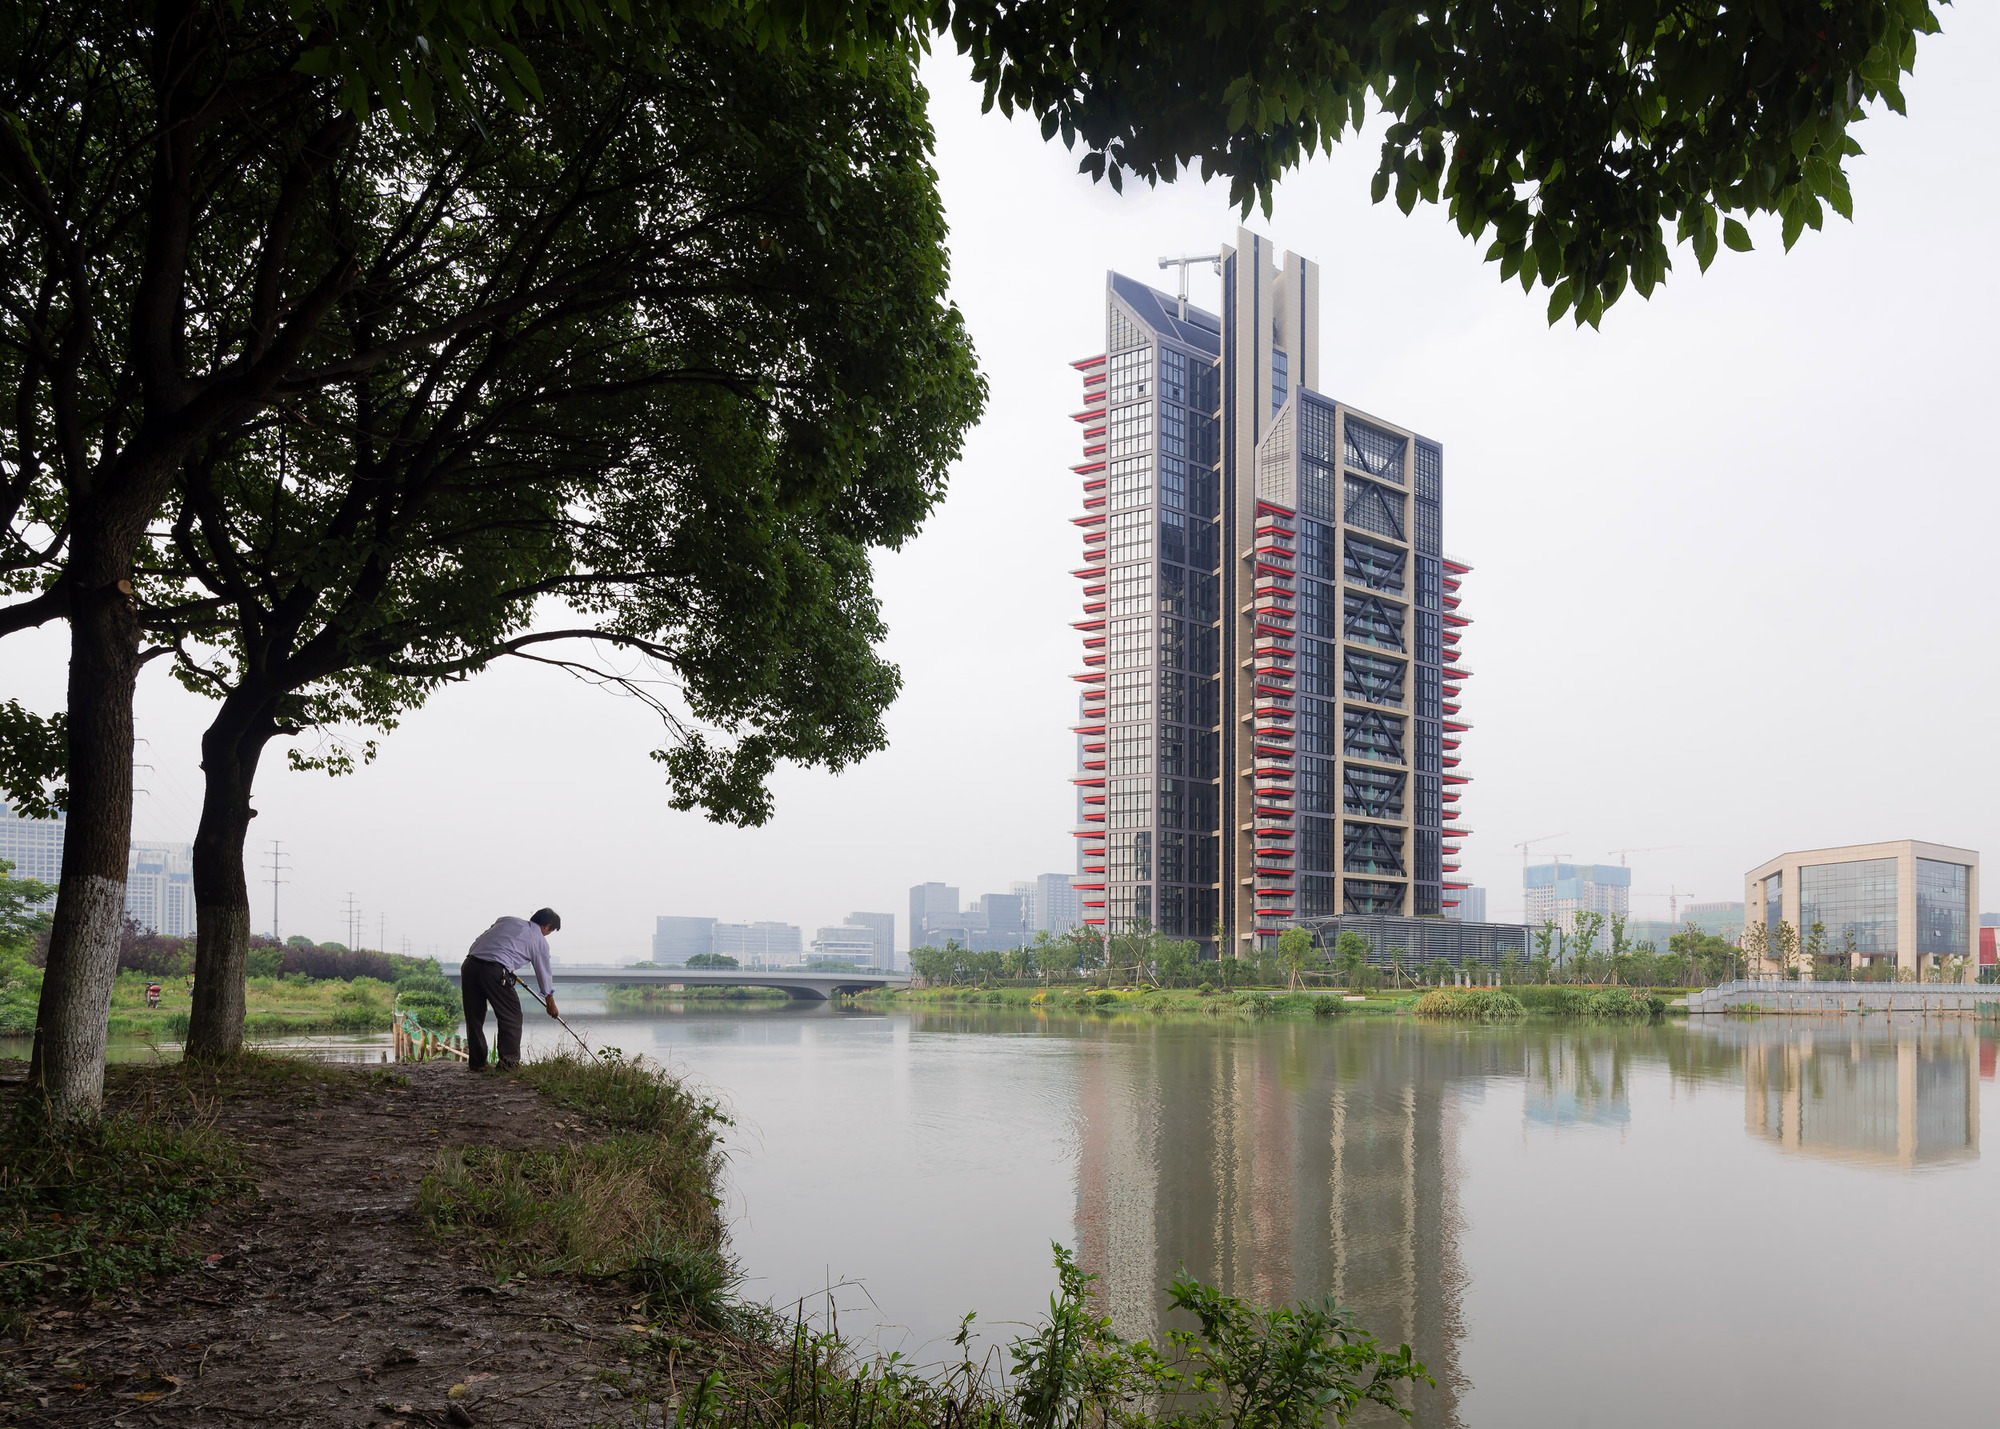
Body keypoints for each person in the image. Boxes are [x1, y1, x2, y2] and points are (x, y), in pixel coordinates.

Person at [460, 908, 561, 1071]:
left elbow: (491, 940)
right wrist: (550, 1001)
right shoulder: (539, 940)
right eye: (549, 931)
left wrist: (507, 965)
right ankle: (509, 1064)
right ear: (547, 926)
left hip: (470, 965)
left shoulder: (506, 920)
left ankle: (477, 1063)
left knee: (474, 1016)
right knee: (511, 1016)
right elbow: (543, 972)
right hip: (494, 971)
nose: (546, 935)